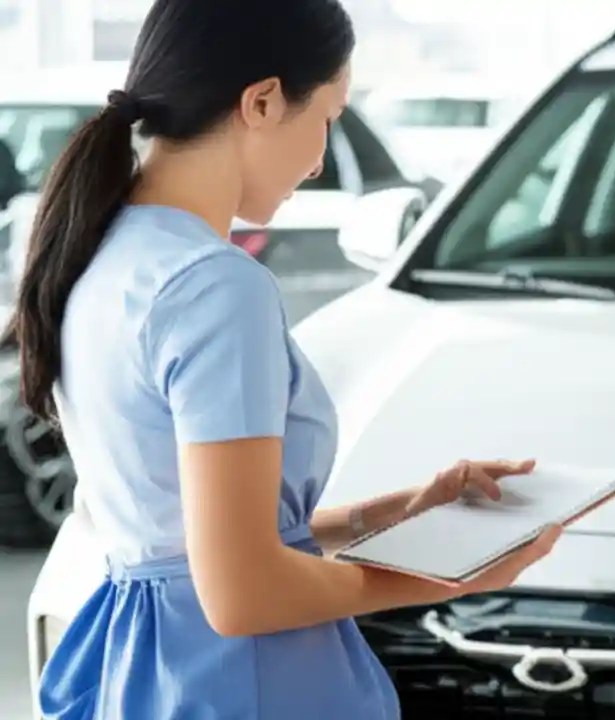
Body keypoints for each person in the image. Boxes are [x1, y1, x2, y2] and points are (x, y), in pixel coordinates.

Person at [14, 1, 561, 718]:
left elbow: (186, 536)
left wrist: (398, 512)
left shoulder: (102, 253)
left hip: (150, 668)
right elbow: (245, 591)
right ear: (264, 101)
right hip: (246, 681)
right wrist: (455, 578)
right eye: (329, 117)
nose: (321, 157)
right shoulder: (213, 285)